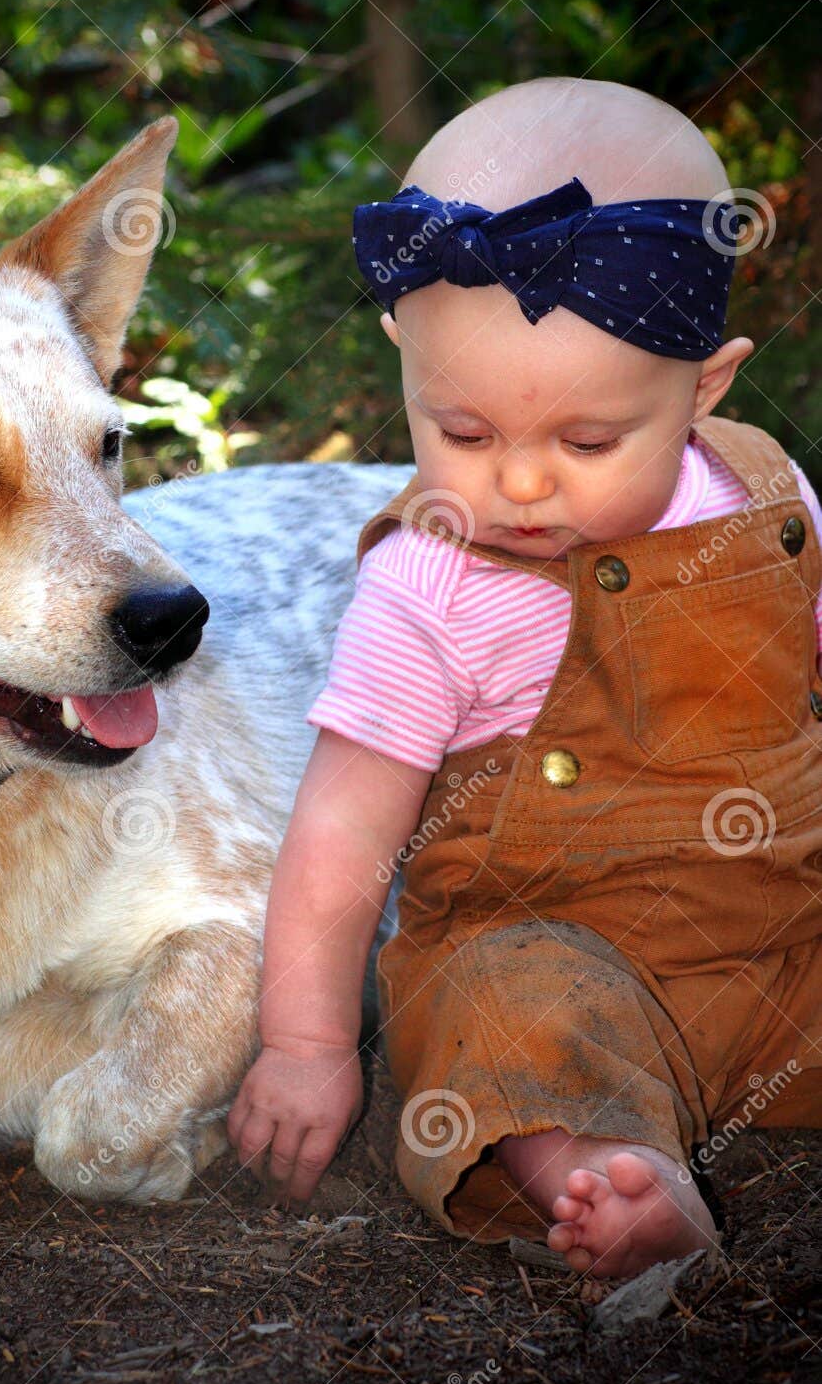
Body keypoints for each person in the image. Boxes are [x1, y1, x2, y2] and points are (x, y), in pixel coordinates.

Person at [226, 76, 822, 1281]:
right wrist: (303, 1039)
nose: (521, 487)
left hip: (778, 937)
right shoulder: (427, 587)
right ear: (401, 356)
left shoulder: (767, 498)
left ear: (703, 386)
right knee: (497, 1014)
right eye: (463, 431)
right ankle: (611, 1176)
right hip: (553, 949)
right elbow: (344, 827)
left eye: (586, 443)